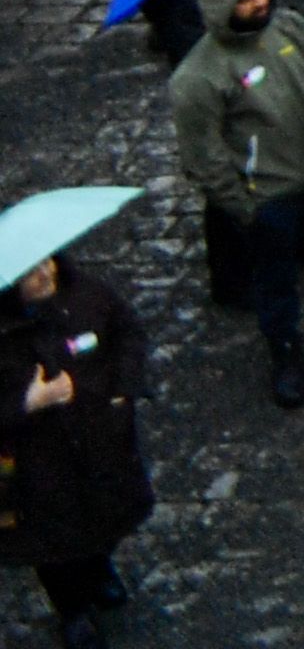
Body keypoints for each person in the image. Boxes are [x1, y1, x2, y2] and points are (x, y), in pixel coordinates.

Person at [161, 0, 304, 409]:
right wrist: (245, 206)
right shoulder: (198, 76)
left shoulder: (289, 27)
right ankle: (285, 355)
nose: (259, 2)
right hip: (269, 197)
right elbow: (203, 156)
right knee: (276, 284)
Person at [1, 223, 153, 649]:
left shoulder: (83, 294)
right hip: (37, 468)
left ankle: (100, 569)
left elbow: (127, 331)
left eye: (46, 260)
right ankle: (72, 611)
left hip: (101, 440)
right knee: (53, 545)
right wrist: (27, 403)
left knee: (106, 514)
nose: (45, 273)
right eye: (30, 271)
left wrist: (125, 388)